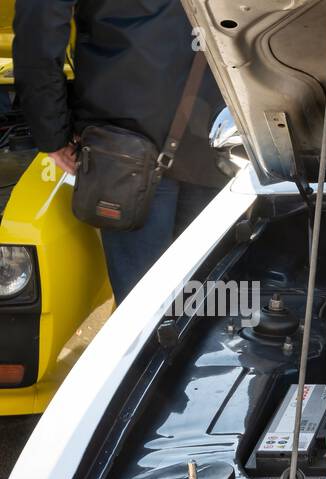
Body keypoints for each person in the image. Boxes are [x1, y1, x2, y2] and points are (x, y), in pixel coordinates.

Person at [12, 0, 229, 302]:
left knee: (141, 313)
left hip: (123, 141)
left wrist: (52, 133)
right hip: (220, 130)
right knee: (207, 307)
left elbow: (40, 25)